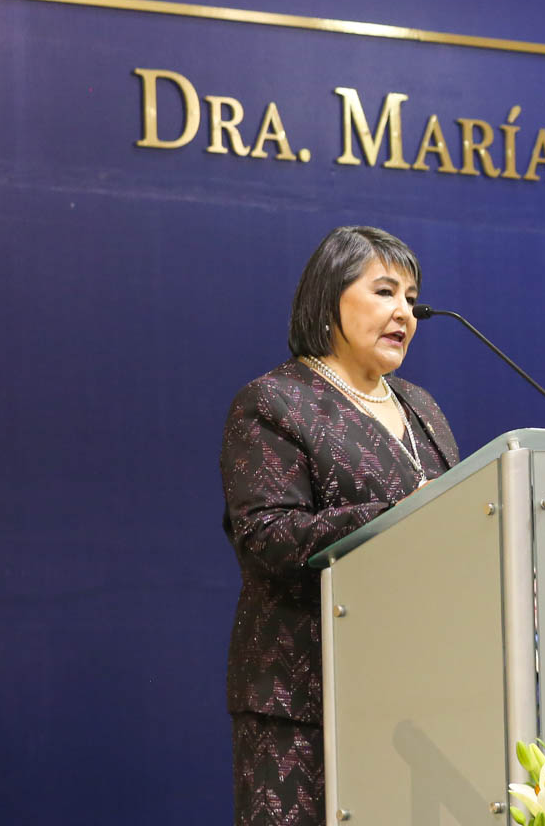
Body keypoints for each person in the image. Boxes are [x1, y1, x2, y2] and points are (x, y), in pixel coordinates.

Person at [220, 226, 461, 826]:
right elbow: (265, 538)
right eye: (384, 291)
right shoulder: (274, 402)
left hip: (417, 695)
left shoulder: (422, 408)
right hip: (303, 701)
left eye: (411, 297)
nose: (404, 311)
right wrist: (399, 513)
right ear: (331, 299)